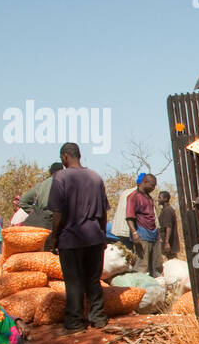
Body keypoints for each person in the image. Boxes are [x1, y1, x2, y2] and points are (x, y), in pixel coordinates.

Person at [46, 142, 110, 333]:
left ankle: (75, 322)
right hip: (95, 237)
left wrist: (53, 237)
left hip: (71, 239)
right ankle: (98, 318)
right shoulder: (95, 177)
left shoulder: (60, 178)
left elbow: (57, 212)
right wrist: (102, 235)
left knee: (73, 282)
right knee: (93, 280)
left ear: (65, 156)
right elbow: (104, 212)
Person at [126, 173, 162, 278]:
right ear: (144, 182)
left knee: (156, 264)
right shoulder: (133, 197)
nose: (153, 188)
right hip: (142, 233)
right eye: (152, 185)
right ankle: (139, 288)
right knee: (142, 264)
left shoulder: (149, 198)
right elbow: (129, 217)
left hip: (153, 234)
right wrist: (134, 233)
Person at [17, 162, 64, 230]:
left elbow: (22, 201)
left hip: (43, 222)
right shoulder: (65, 184)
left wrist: (33, 211)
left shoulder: (40, 185)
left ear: (50, 172)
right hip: (60, 222)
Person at [110, 174, 142, 250]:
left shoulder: (126, 192)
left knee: (127, 255)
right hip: (129, 231)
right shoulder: (137, 194)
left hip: (121, 230)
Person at [157, 190, 180, 259]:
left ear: (165, 199)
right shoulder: (165, 210)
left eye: (159, 198)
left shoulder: (167, 210)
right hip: (166, 242)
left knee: (171, 262)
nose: (158, 199)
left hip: (168, 243)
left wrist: (167, 242)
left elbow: (168, 227)